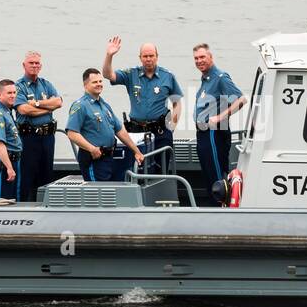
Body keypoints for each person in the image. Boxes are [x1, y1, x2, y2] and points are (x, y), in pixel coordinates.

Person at [103, 36, 183, 176]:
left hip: (160, 133)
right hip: (136, 133)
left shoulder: (167, 76)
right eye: (145, 56)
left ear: (157, 57)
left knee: (161, 171)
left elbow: (177, 103)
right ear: (140, 57)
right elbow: (108, 75)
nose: (148, 59)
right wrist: (109, 55)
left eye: (151, 56)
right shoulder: (131, 74)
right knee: (137, 169)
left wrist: (172, 127)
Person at [66, 69, 145, 181]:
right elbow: (72, 133)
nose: (99, 84)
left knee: (109, 193)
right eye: (94, 82)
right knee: (97, 195)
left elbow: (120, 130)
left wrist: (136, 151)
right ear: (85, 85)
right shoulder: (81, 106)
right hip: (94, 159)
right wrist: (92, 149)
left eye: (100, 81)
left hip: (109, 158)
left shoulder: (104, 105)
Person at [192, 43, 246, 191]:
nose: (199, 61)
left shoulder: (220, 77)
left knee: (217, 179)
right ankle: (213, 208)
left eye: (202, 57)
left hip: (213, 134)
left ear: (211, 57)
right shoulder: (206, 79)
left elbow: (241, 100)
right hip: (203, 134)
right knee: (208, 175)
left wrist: (220, 117)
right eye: (196, 58)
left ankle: (221, 210)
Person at [14, 51, 63, 202]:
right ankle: (24, 206)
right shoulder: (19, 86)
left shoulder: (46, 84)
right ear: (24, 65)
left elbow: (59, 102)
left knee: (46, 174)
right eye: (31, 63)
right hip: (28, 138)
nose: (34, 66)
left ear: (40, 66)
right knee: (27, 175)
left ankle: (44, 204)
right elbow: (23, 109)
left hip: (47, 137)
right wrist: (48, 108)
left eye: (37, 63)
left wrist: (36, 103)